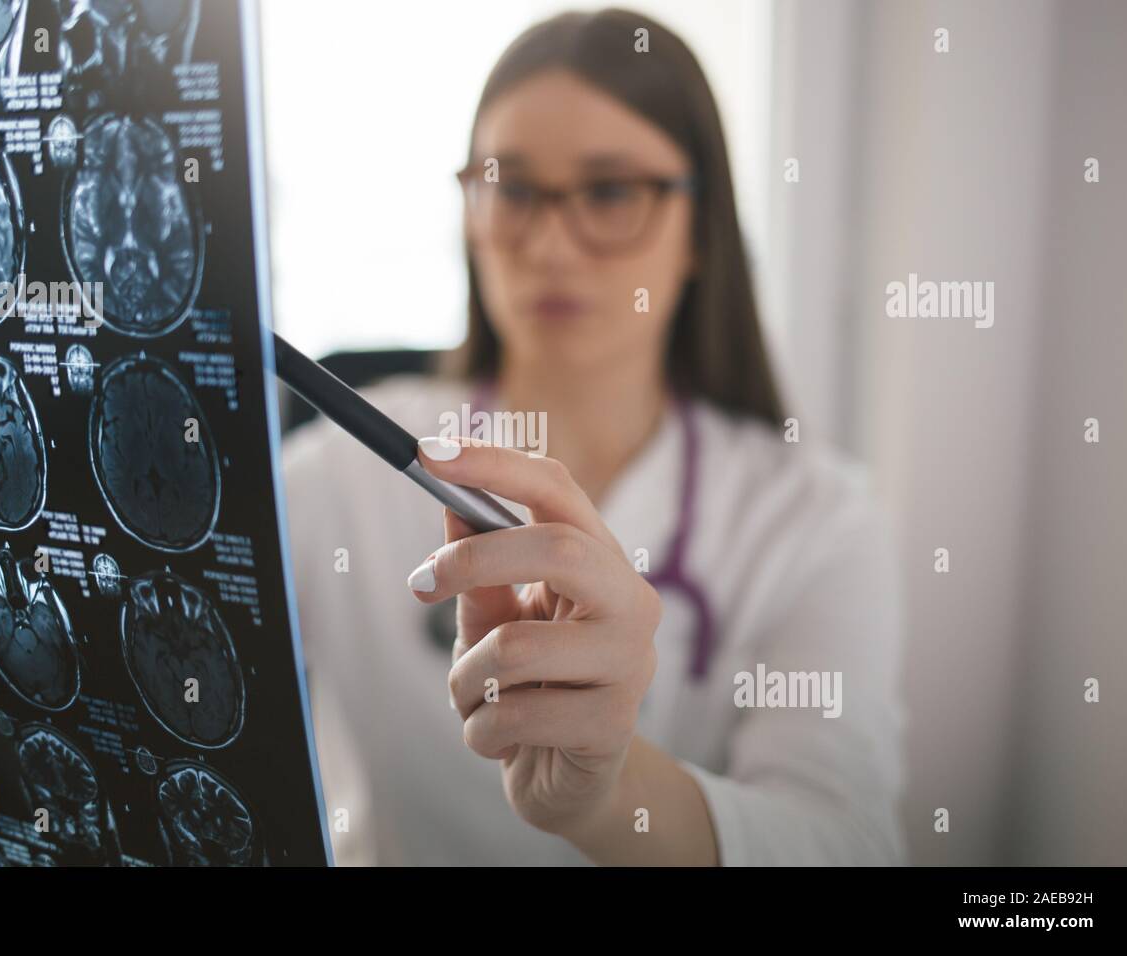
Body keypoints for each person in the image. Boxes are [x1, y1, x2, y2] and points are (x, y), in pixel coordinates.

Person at [280, 7, 905, 866]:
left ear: (702, 230)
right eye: (511, 189)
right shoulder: (334, 475)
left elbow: (847, 844)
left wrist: (606, 794)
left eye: (610, 193)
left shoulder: (816, 523)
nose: (550, 245)